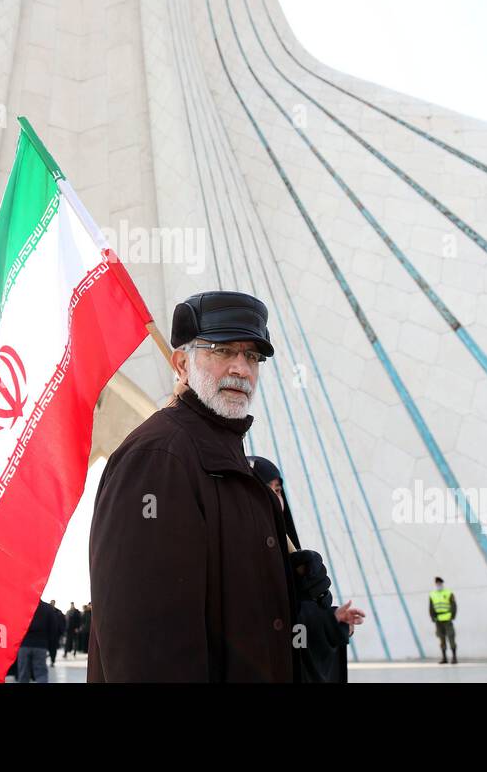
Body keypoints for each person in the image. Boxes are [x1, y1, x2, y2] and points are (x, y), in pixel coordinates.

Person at [88, 290, 297, 682]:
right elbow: (145, 644)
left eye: (252, 356)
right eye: (222, 351)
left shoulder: (229, 460)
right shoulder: (157, 459)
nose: (241, 368)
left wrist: (300, 589)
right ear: (182, 363)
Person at [247, 455, 365, 682]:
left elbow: (295, 622)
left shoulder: (290, 555)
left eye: (278, 490)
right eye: (266, 490)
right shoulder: (236, 556)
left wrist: (331, 620)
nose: (276, 501)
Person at [16, 599, 54, 683]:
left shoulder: (22, 606)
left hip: (24, 644)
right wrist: (49, 644)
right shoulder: (47, 608)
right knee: (41, 673)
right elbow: (52, 628)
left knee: (23, 674)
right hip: (41, 644)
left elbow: (15, 625)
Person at [429, 576, 457, 664]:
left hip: (447, 619)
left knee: (451, 637)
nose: (438, 585)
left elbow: (453, 605)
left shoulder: (449, 593)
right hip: (438, 620)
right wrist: (432, 617)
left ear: (442, 584)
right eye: (437, 583)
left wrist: (452, 616)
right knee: (441, 639)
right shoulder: (432, 594)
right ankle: (444, 658)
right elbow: (431, 607)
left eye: (440, 583)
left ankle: (454, 657)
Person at [47, 599, 65, 666]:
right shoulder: (47, 611)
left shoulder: (58, 612)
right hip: (47, 634)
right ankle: (51, 659)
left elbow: (62, 622)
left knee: (53, 648)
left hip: (55, 634)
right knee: (48, 647)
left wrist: (61, 631)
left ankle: (52, 660)